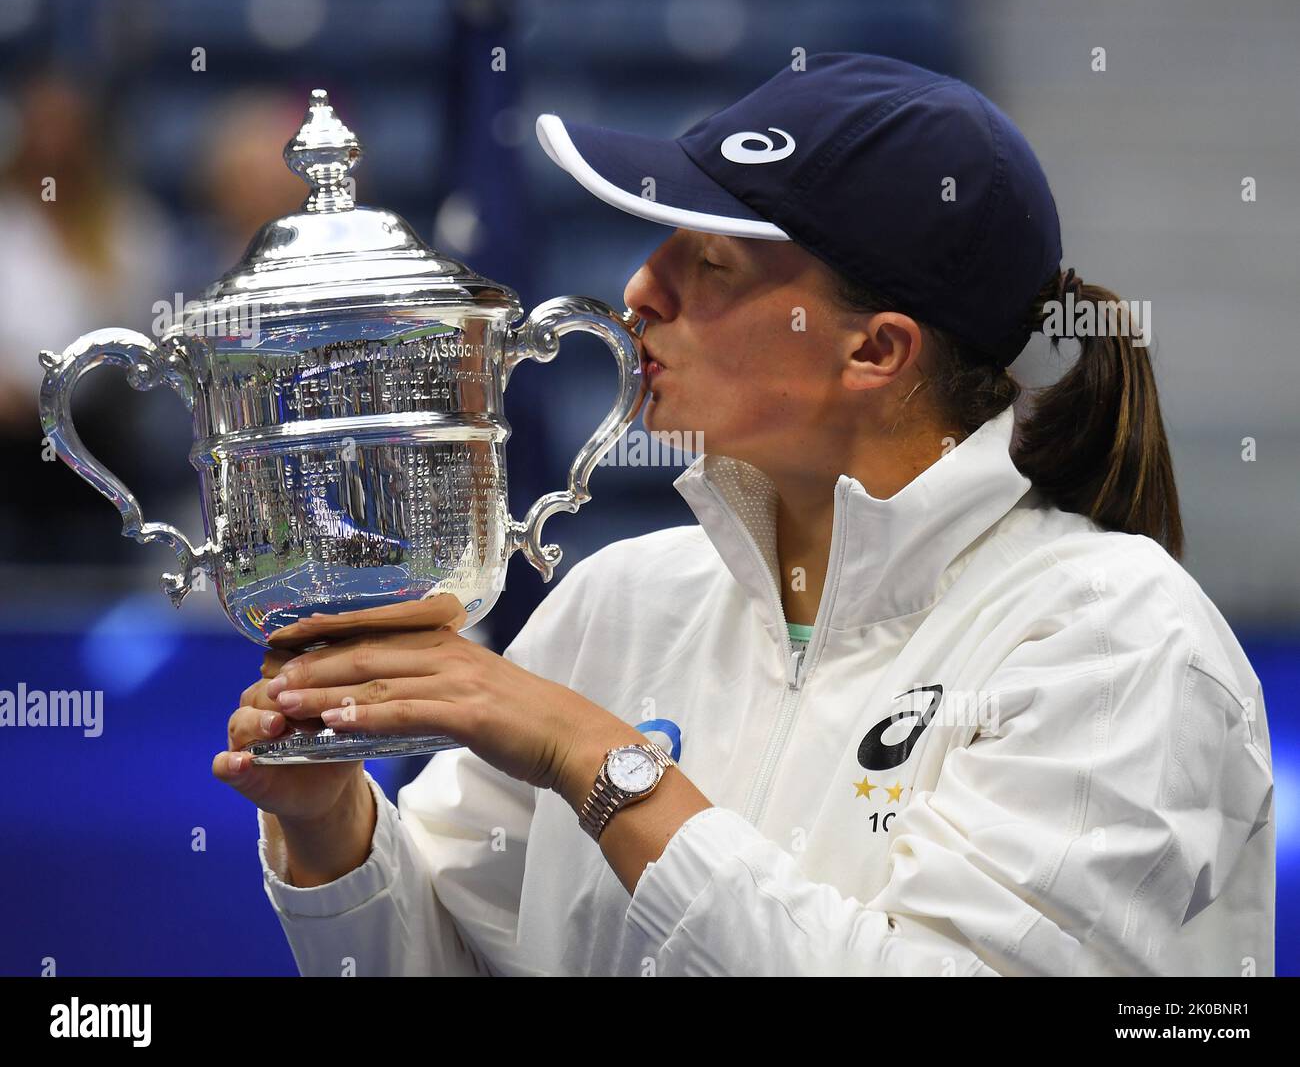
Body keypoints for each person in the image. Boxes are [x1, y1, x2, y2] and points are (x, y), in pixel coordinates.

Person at [214, 52, 1275, 976]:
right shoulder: (624, 601)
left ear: (876, 351)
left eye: (708, 262)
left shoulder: (1118, 640)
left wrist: (599, 762)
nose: (639, 289)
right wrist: (332, 831)